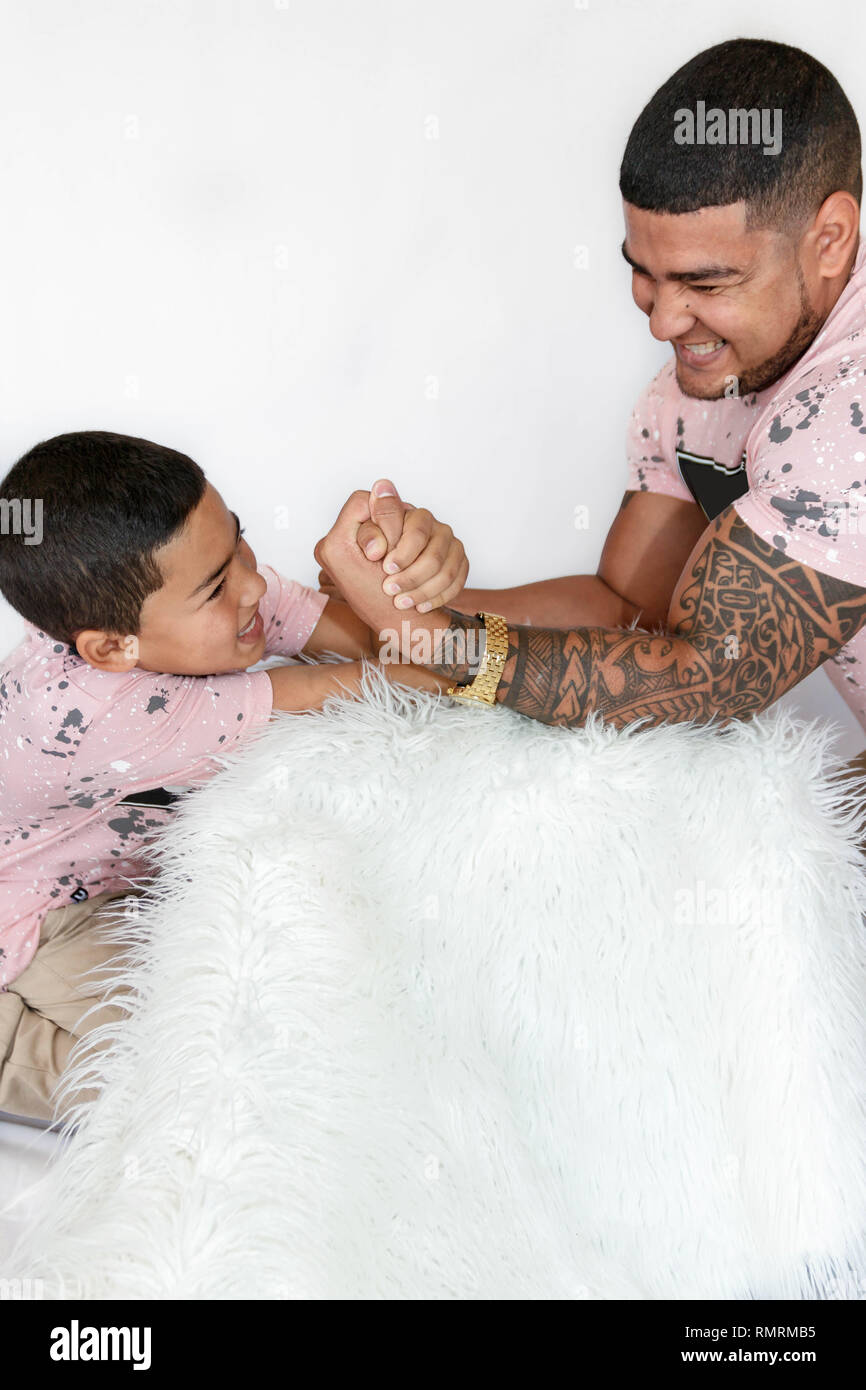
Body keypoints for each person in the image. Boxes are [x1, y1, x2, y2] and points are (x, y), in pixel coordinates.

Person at [315, 37, 866, 831]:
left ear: (830, 239)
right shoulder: (690, 390)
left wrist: (430, 640)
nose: (665, 321)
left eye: (708, 283)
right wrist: (391, 601)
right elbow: (627, 609)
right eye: (645, 272)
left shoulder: (847, 407)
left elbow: (707, 679)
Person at [0, 430, 463, 1124]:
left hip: (113, 860)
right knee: (189, 1073)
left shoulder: (177, 597)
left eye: (237, 539)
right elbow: (392, 679)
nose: (253, 581)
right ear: (109, 649)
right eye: (217, 587)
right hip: (43, 913)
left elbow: (379, 647)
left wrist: (385, 602)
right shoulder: (112, 713)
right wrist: (425, 629)